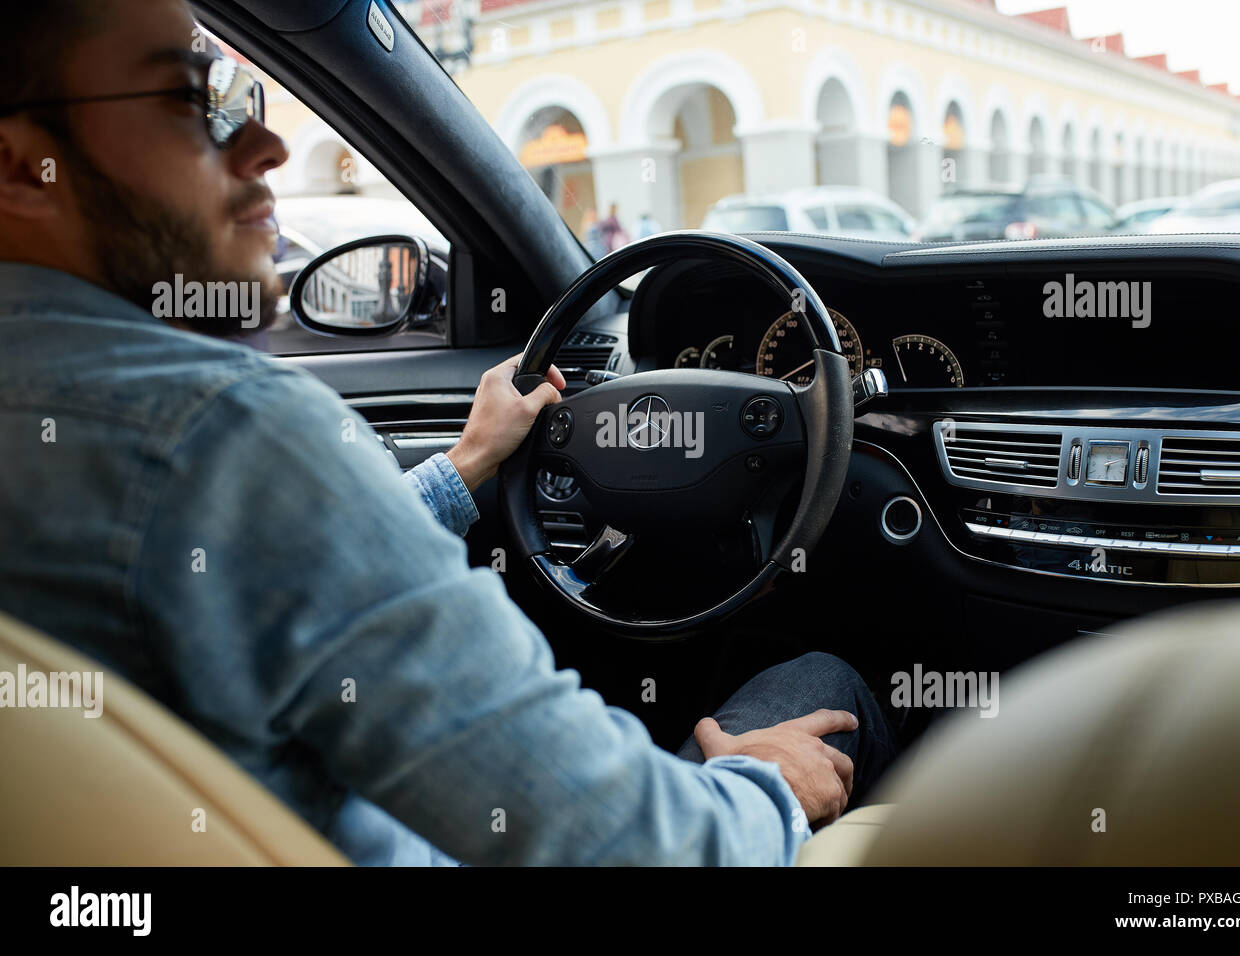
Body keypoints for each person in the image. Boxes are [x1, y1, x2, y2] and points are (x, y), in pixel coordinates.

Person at [0, 0, 894, 865]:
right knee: (829, 681)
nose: (266, 143)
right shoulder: (226, 440)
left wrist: (464, 467)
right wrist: (763, 788)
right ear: (16, 167)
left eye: (239, 95)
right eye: (191, 100)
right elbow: (630, 841)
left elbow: (287, 579)